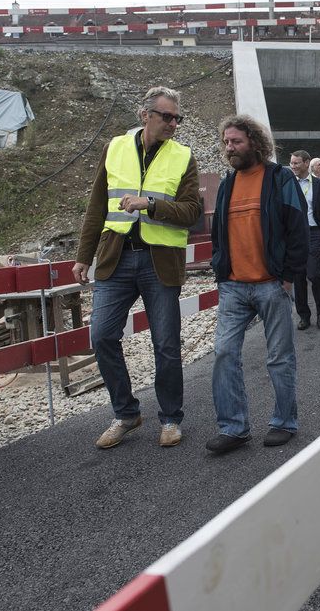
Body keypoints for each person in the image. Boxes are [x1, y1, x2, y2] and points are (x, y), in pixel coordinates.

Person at [73, 86, 202, 450]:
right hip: (116, 257)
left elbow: (192, 212)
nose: (174, 124)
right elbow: (97, 205)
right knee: (101, 336)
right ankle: (126, 413)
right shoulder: (114, 148)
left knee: (165, 344)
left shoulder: (183, 157)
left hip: (159, 262)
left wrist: (150, 205)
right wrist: (84, 256)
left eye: (178, 118)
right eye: (167, 117)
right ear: (145, 116)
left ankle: (171, 418)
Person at [207, 114, 309, 453]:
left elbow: (297, 229)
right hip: (234, 287)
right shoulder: (227, 183)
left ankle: (284, 422)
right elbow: (217, 234)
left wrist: (289, 279)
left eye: (236, 141)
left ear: (254, 141)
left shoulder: (280, 179)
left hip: (271, 285)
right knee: (223, 353)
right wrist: (220, 271)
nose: (230, 147)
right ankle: (234, 427)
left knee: (279, 357)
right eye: (226, 142)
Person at [290, 150, 320, 330]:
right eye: (291, 163)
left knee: (315, 274)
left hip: (315, 233)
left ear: (306, 163)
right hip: (294, 235)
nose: (293, 166)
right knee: (298, 276)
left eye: (296, 163)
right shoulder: (288, 185)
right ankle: (304, 316)